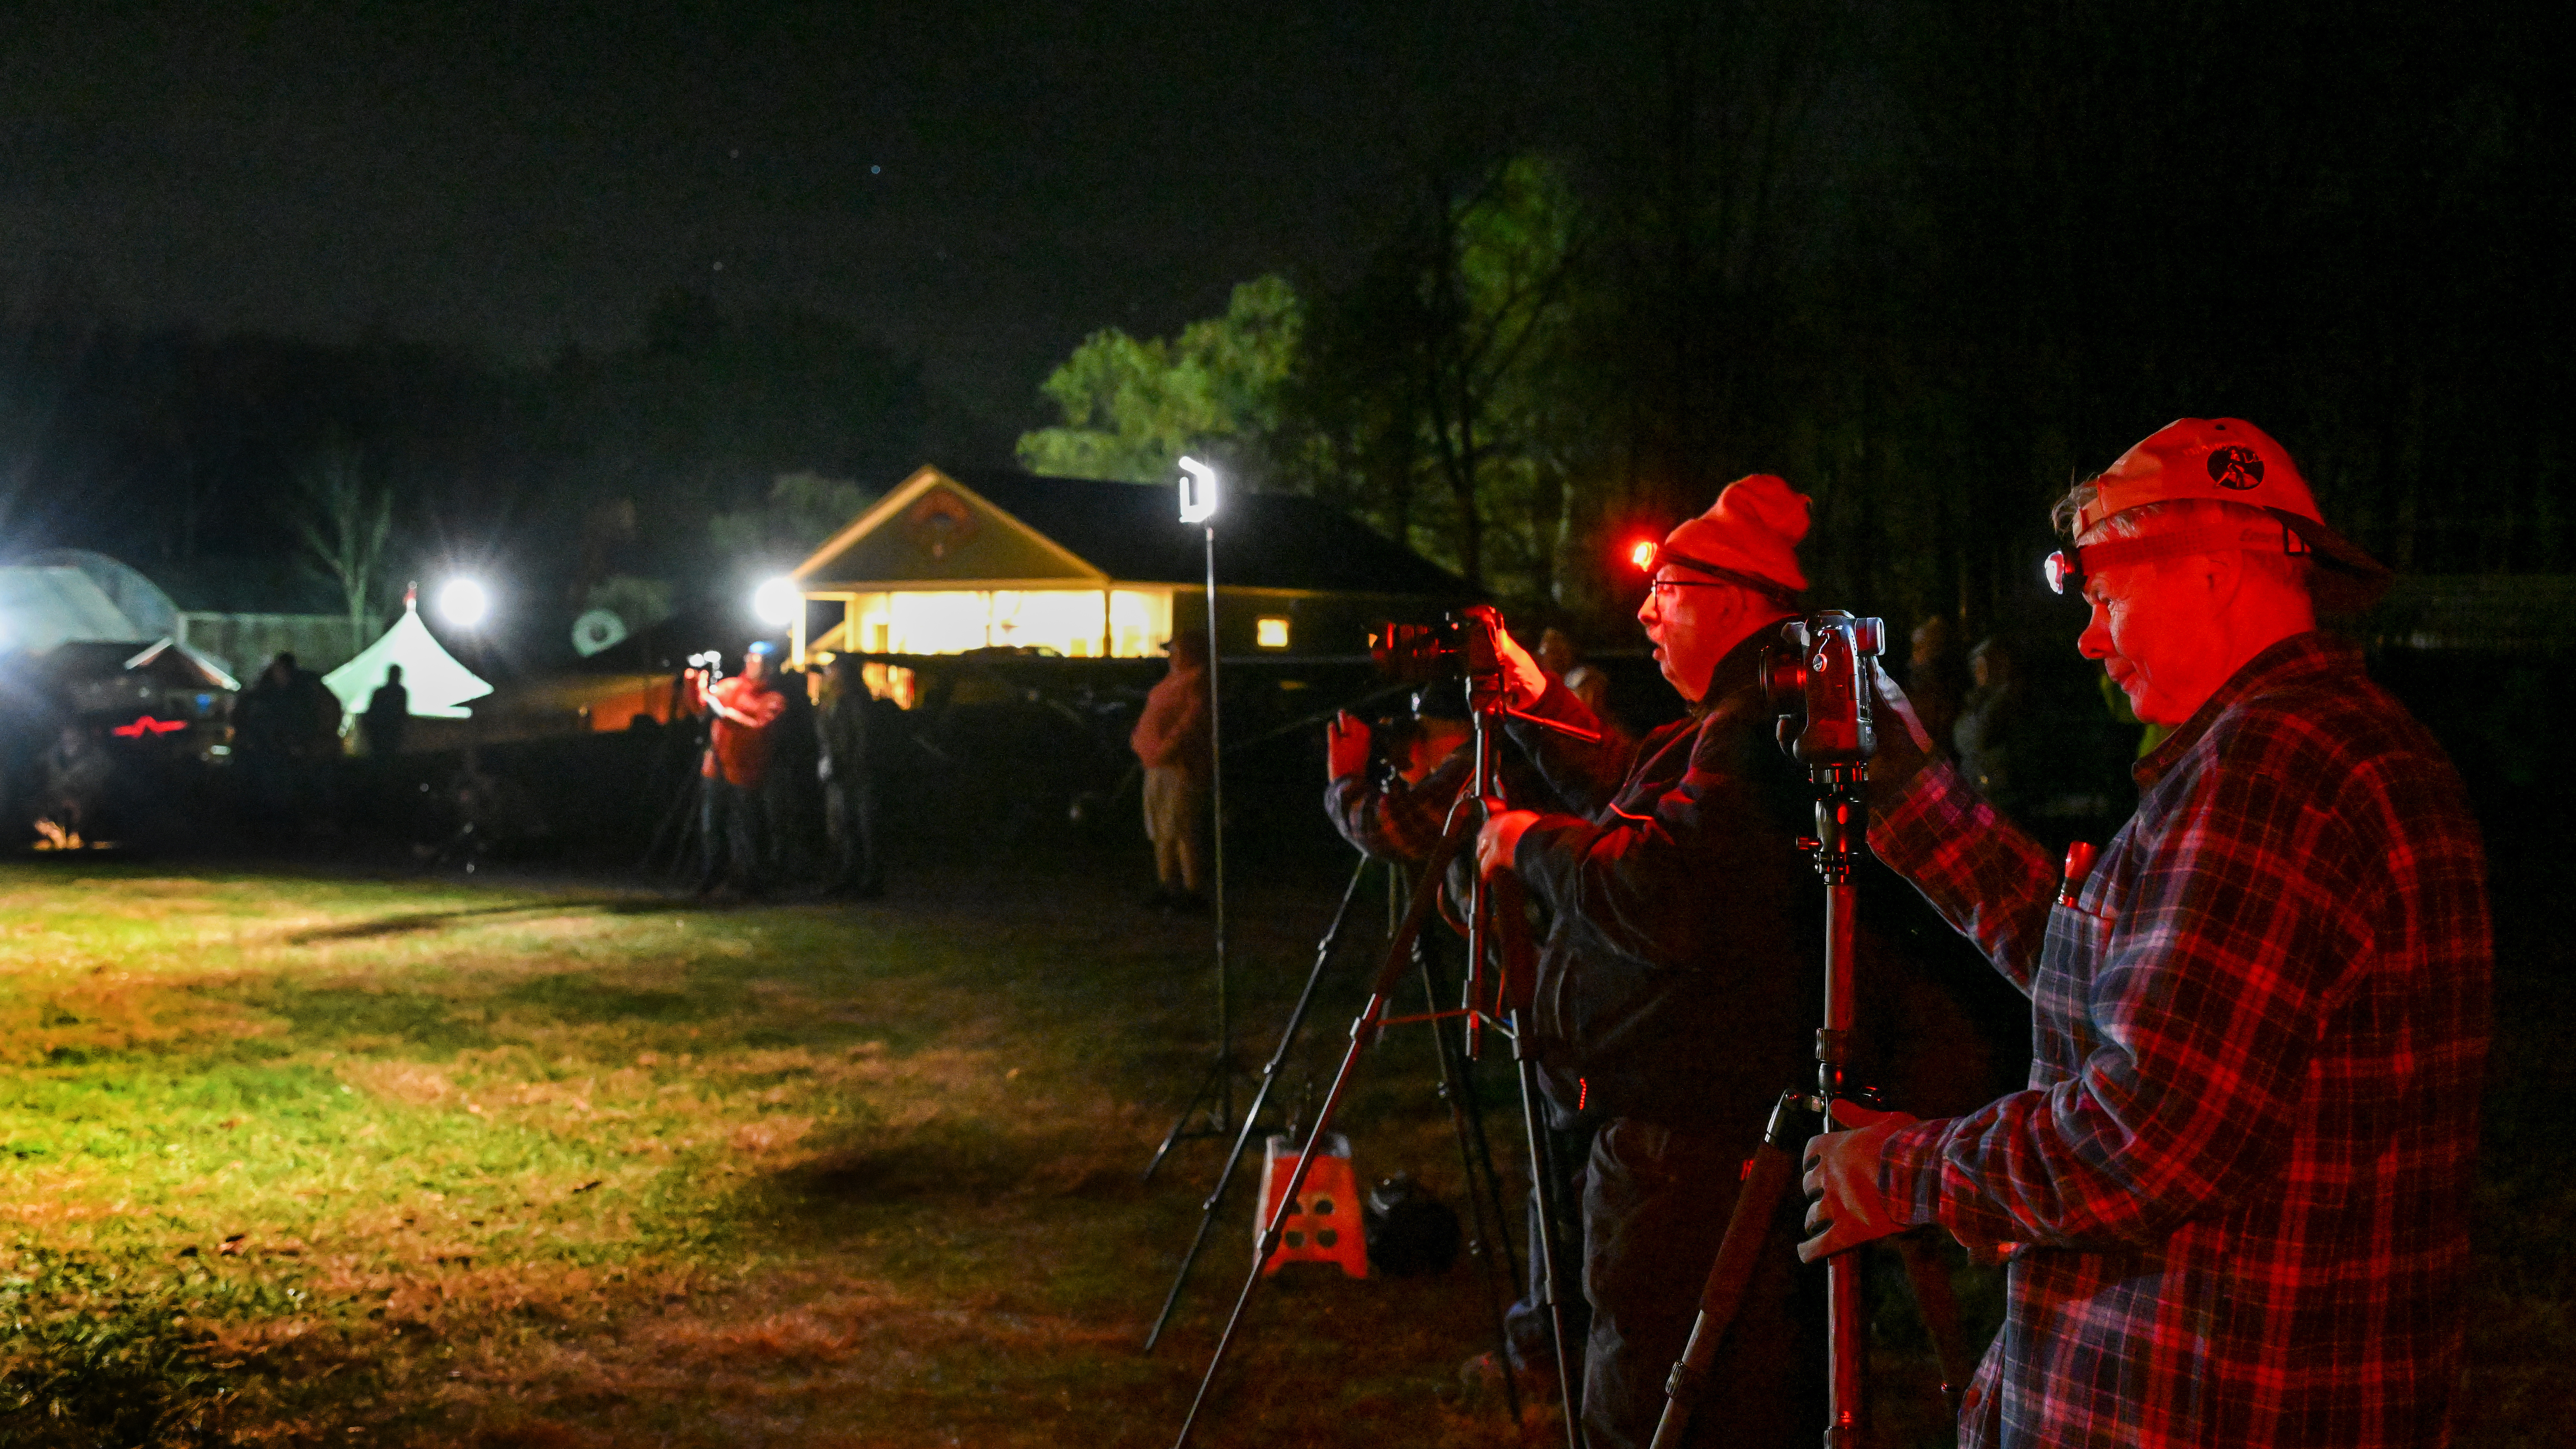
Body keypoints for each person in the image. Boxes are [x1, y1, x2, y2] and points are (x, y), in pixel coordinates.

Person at [1801, 418, 2491, 1449]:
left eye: (2104, 596)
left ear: (2211, 571)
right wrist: (1903, 791)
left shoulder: (2268, 781)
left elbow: (2147, 1133)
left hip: (2197, 1404)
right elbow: (2117, 981)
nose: (2085, 636)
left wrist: (1904, 1171)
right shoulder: (2309, 753)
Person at [1472, 474, 1826, 1449]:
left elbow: (1659, 888)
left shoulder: (1752, 736)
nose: (1643, 610)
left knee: (1654, 1396)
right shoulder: (1738, 719)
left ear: (1729, 597)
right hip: (1705, 1137)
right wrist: (1533, 699)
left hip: (1690, 1146)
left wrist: (1525, 842)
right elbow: (1635, 787)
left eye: (1664, 589)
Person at [696, 643, 787, 897]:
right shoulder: (730, 686)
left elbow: (759, 728)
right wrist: (696, 683)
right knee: (711, 828)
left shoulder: (774, 699)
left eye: (757, 659)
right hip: (715, 770)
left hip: (745, 774)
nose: (750, 662)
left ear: (770, 666)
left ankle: (746, 881)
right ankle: (712, 878)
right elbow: (701, 706)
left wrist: (724, 713)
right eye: (750, 658)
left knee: (744, 830)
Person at [1130, 630, 1212, 912]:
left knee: (1181, 828)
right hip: (1156, 765)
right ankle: (1168, 886)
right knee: (1160, 829)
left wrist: (1167, 748)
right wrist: (1142, 742)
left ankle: (1192, 891)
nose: (1172, 656)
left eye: (1176, 651)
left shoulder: (1197, 682)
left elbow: (1191, 722)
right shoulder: (1171, 681)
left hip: (1180, 767)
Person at [816, 653, 892, 898]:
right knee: (843, 826)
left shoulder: (855, 700)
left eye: (832, 671)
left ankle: (869, 879)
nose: (828, 675)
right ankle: (849, 875)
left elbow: (862, 738)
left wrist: (853, 766)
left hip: (856, 774)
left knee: (864, 826)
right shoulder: (830, 702)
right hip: (839, 773)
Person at [361, 664, 409, 758]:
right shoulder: (401, 693)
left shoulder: (379, 692)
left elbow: (371, 712)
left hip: (379, 731)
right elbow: (403, 713)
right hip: (393, 732)